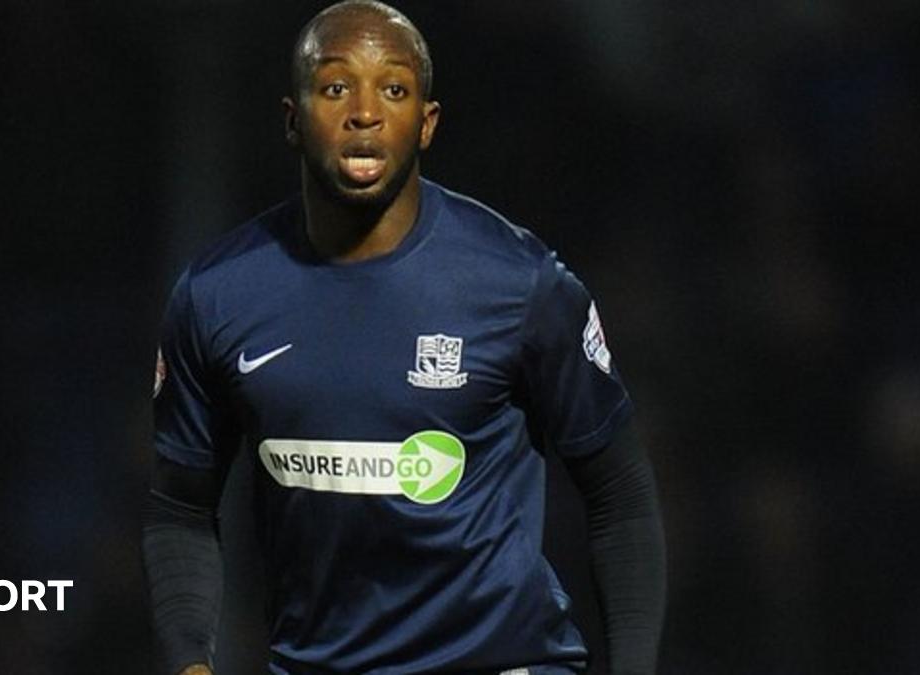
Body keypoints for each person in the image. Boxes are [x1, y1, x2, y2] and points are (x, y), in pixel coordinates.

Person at [142, 2, 666, 673]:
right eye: (336, 87)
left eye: (394, 89)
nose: (365, 112)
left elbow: (620, 491)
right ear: (292, 119)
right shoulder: (217, 294)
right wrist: (190, 663)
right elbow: (180, 506)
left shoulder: (520, 283)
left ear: (426, 123)